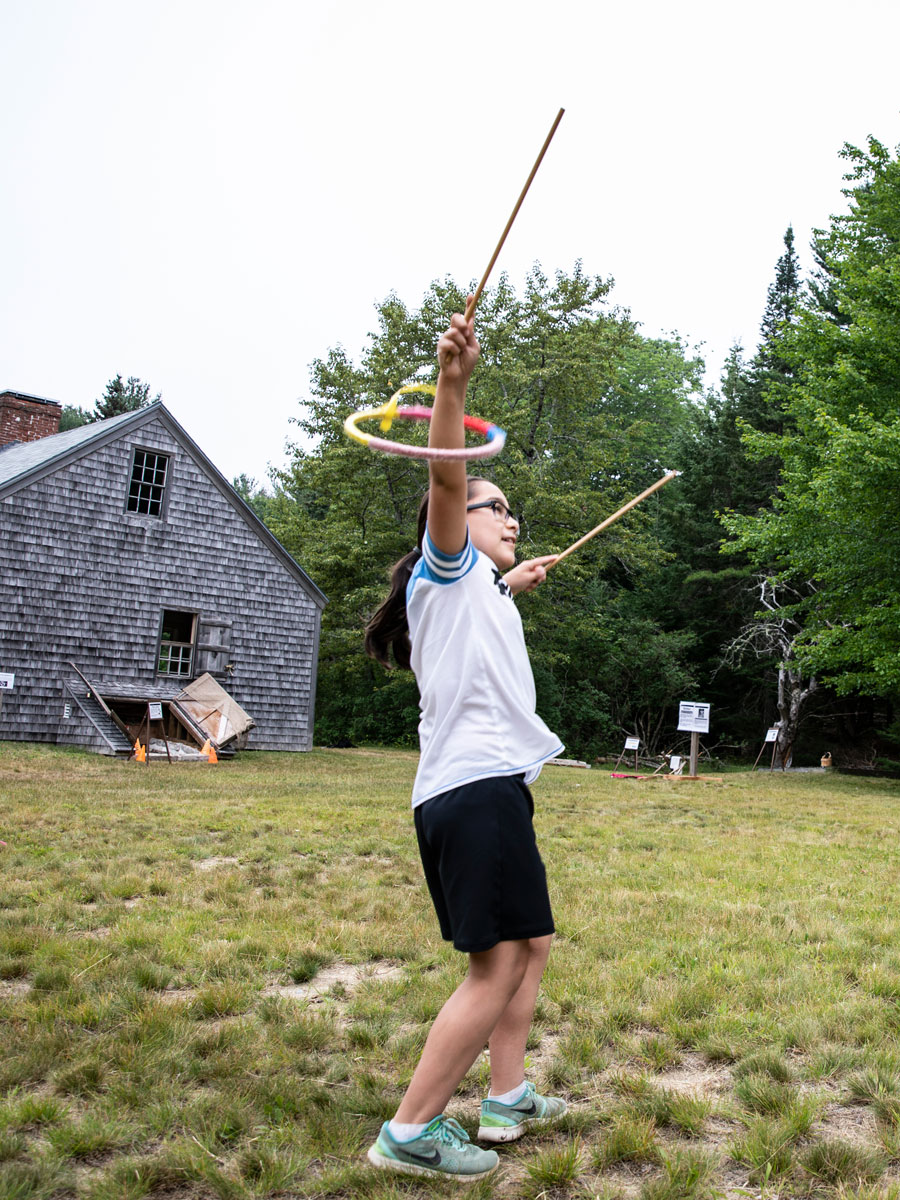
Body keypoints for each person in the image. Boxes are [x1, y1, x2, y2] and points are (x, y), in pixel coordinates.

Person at [358, 308, 567, 1179]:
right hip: (471, 788)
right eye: (498, 507)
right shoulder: (444, 563)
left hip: (487, 787)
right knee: (494, 966)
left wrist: (512, 580)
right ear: (453, 522)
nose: (509, 516)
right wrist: (453, 385)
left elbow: (486, 595)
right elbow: (448, 479)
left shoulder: (478, 585)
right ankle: (409, 1132)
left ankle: (507, 1097)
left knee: (532, 944)